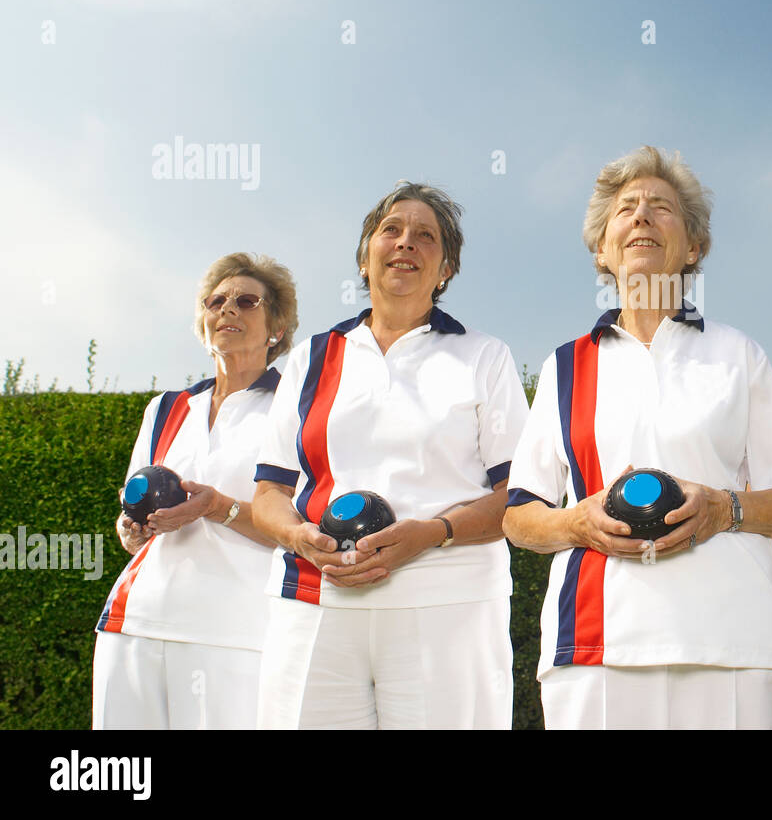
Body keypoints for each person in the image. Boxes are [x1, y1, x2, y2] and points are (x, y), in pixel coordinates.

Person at [503, 145, 772, 729]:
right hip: (594, 651)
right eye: (626, 208)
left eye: (662, 208)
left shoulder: (739, 354)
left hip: (733, 647)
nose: (643, 216)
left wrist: (723, 509)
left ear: (694, 246)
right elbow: (520, 516)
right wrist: (577, 522)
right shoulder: (564, 367)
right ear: (602, 248)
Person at [251, 182, 528, 729]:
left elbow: (518, 498)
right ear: (364, 254)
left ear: (446, 268)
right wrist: (295, 536)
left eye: (426, 236)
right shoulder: (311, 357)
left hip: (448, 606)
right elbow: (269, 493)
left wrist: (432, 533)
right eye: (391, 230)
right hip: (315, 602)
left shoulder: (485, 356)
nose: (406, 243)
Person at [93, 252, 297, 729]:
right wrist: (131, 530)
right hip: (134, 625)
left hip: (237, 635)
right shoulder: (165, 409)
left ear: (277, 328)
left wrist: (219, 509)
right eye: (216, 300)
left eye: (247, 301)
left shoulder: (297, 411)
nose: (228, 309)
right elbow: (130, 518)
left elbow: (304, 530)